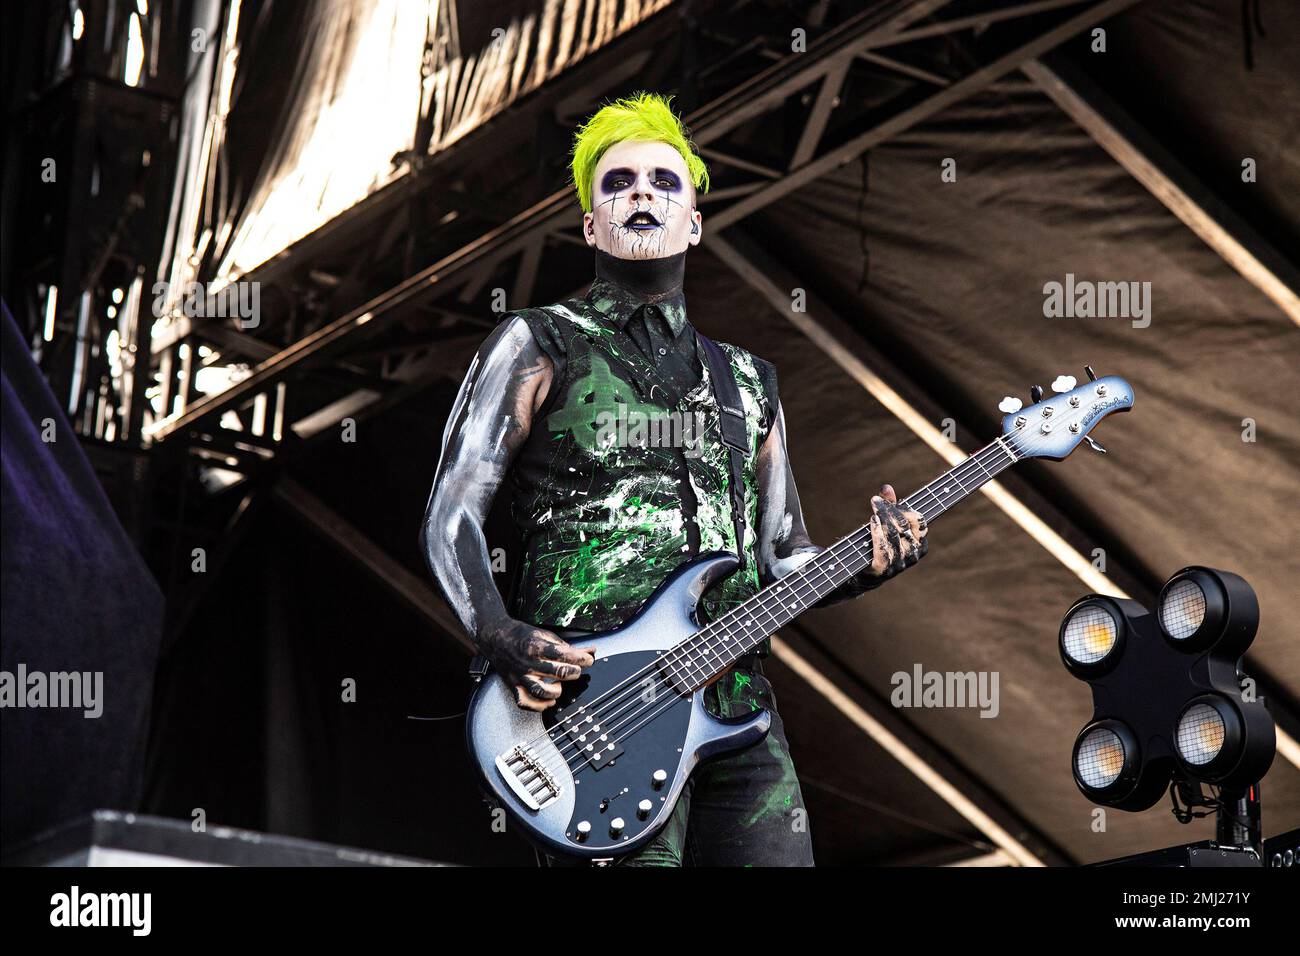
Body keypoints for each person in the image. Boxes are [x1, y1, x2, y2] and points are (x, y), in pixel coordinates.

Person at [422, 92, 927, 866]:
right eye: (618, 182)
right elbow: (452, 515)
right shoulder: (538, 342)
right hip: (589, 709)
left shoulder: (749, 383)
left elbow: (784, 557)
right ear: (591, 224)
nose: (642, 192)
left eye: (664, 179)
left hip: (734, 704)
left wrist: (870, 559)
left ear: (694, 220)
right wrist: (496, 633)